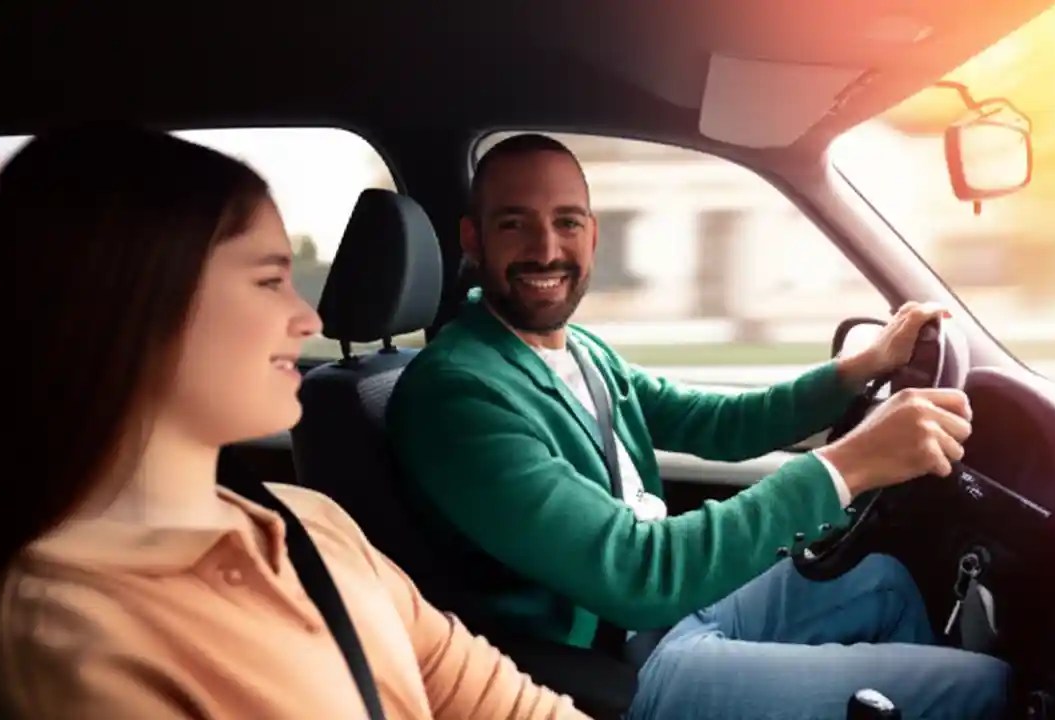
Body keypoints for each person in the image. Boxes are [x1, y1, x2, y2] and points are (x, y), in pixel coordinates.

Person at [0, 127, 586, 720]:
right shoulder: (65, 642)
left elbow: (506, 704)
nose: (306, 319)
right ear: (137, 304)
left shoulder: (310, 523)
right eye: (268, 281)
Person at [387, 133, 1012, 719]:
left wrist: (859, 370)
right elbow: (636, 573)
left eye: (566, 222)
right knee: (985, 689)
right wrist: (849, 465)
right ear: (472, 239)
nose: (546, 249)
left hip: (674, 608)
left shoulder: (575, 350)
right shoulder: (458, 395)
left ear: (593, 235)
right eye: (515, 223)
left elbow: (717, 423)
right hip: (616, 663)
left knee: (887, 585)